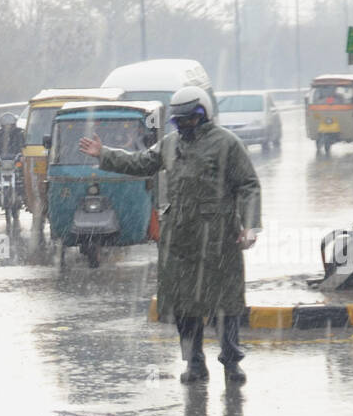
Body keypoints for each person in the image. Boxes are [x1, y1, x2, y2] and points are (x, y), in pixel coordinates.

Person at [79, 86, 261, 385]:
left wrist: (250, 226)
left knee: (226, 305)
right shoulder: (169, 144)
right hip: (180, 239)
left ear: (204, 114)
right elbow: (140, 163)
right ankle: (194, 364)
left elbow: (249, 185)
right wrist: (105, 155)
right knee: (185, 308)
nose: (187, 125)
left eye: (192, 119)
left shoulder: (227, 143)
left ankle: (231, 363)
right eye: (181, 121)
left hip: (219, 239)